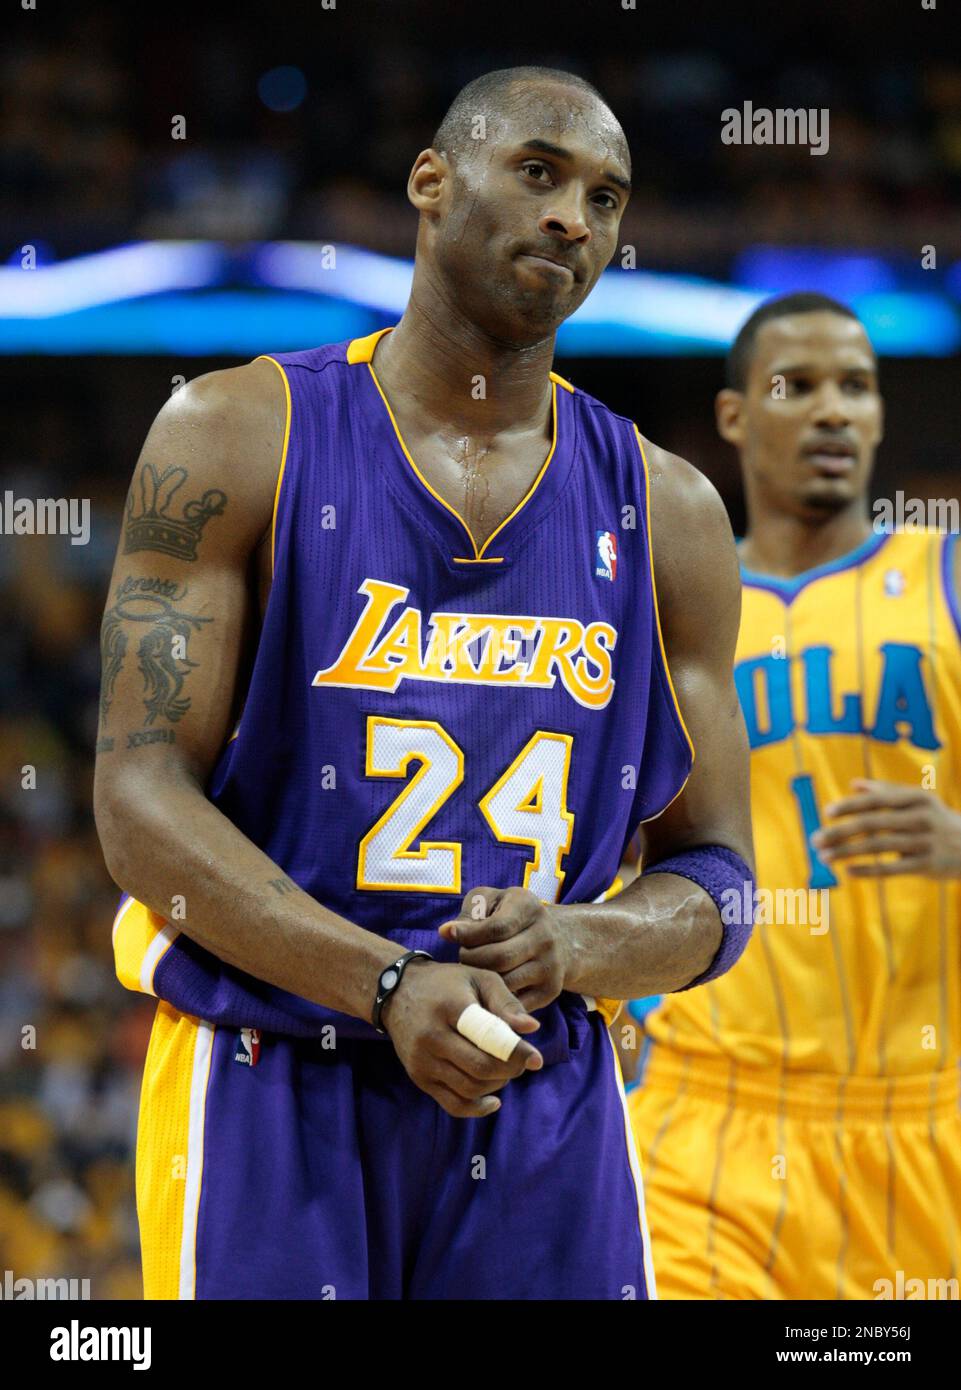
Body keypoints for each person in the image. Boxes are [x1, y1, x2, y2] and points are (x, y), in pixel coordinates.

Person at [94, 66, 753, 1301]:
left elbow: (722, 879)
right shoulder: (232, 431)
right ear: (431, 183)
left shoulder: (670, 511)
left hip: (538, 1087)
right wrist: (385, 983)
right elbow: (138, 799)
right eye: (540, 172)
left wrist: (581, 939)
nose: (574, 218)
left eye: (606, 197)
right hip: (272, 1067)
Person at [626, 292, 961, 1300]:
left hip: (925, 1116)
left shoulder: (945, 575)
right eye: (798, 386)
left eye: (855, 388)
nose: (832, 412)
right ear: (733, 418)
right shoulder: (663, 611)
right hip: (706, 1113)